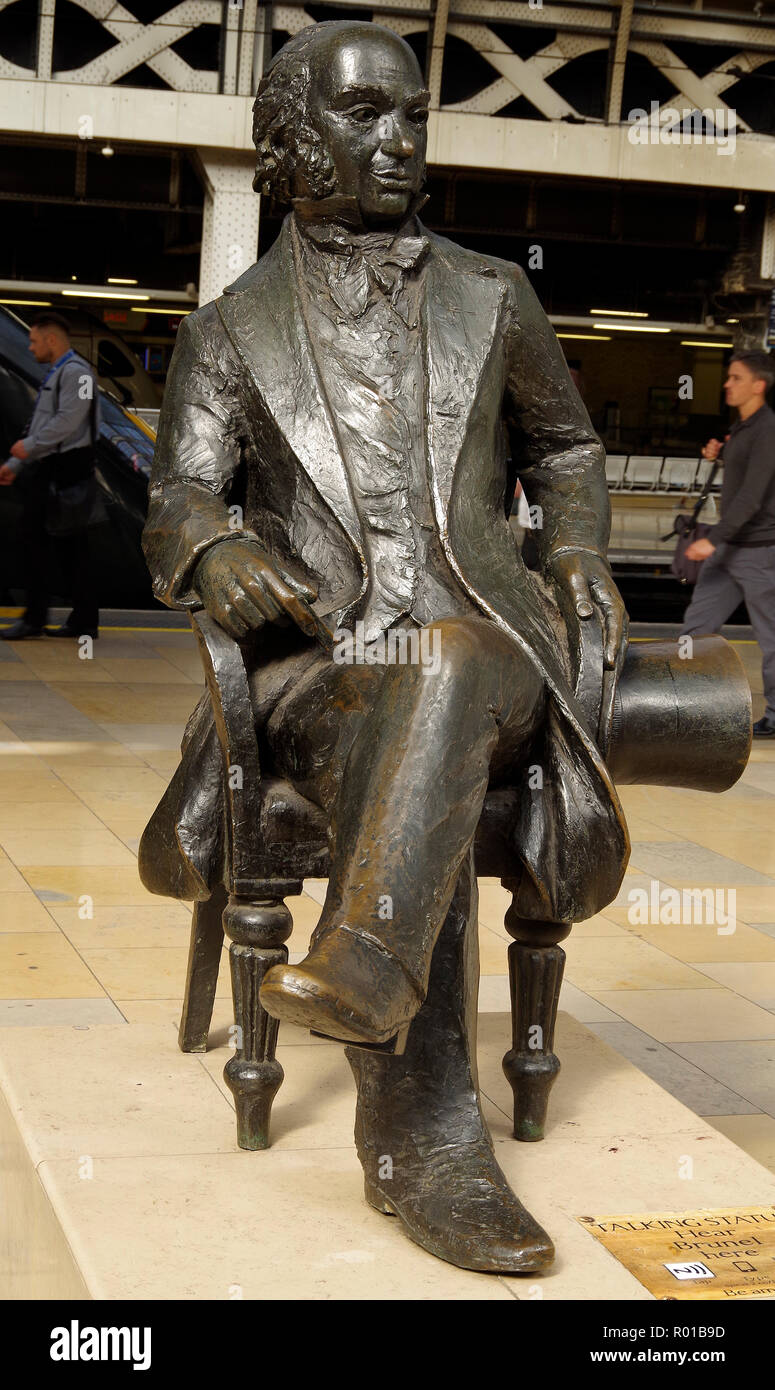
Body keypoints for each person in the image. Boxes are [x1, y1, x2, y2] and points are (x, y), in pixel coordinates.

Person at [139, 21, 630, 1272]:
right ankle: (421, 1131)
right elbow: (177, 497)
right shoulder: (229, 329)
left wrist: (573, 556)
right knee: (424, 685)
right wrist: (211, 553)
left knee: (453, 664)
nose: (401, 137)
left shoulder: (493, 294)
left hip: (490, 643)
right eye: (366, 118)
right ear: (294, 144)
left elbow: (567, 450)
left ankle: (368, 976)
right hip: (325, 667)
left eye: (412, 114)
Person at [683, 350, 775, 736]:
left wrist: (712, 539)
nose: (727, 384)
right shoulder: (743, 428)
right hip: (731, 550)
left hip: (758, 551)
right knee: (698, 625)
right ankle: (684, 701)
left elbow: (752, 498)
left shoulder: (768, 429)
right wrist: (720, 456)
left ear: (759, 385)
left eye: (735, 377)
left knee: (770, 637)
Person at [0, 311, 100, 640]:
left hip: (67, 470)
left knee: (60, 546)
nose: (30, 348)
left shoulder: (79, 374)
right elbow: (44, 422)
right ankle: (74, 620)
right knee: (55, 546)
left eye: (33, 340)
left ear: (51, 340)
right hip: (51, 468)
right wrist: (15, 464)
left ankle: (43, 619)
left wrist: (28, 447)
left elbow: (69, 421)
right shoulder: (57, 374)